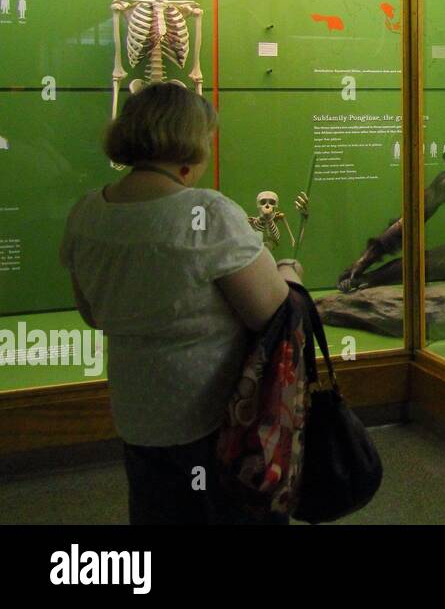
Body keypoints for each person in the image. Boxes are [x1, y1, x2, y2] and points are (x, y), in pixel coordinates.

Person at [59, 83, 300, 524]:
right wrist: (289, 274)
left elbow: (92, 314)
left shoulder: (86, 212)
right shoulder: (206, 213)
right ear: (190, 140)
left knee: (157, 510)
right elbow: (270, 312)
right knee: (215, 509)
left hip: (136, 415)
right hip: (212, 420)